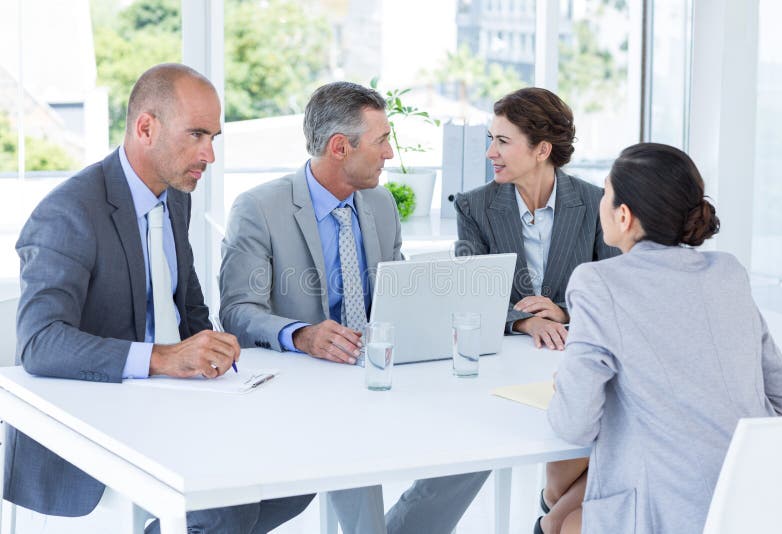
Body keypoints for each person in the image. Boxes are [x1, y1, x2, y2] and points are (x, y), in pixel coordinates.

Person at [8, 63, 313, 533]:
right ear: (145, 128)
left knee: (296, 474)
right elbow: (39, 344)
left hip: (179, 406)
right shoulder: (68, 212)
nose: (209, 154)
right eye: (196, 135)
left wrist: (213, 347)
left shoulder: (175, 196)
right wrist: (163, 358)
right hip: (101, 414)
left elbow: (187, 307)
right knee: (224, 509)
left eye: (214, 136)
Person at [219, 81, 488, 534]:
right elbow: (237, 310)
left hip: (381, 370)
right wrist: (301, 334)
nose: (389, 154)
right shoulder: (259, 208)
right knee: (348, 442)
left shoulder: (381, 204)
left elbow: (398, 290)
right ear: (340, 147)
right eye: (382, 140)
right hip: (309, 386)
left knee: (479, 441)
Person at [547, 142, 782, 534]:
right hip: (754, 506)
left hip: (671, 512)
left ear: (624, 216)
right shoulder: (727, 272)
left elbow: (573, 425)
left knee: (559, 509)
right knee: (557, 512)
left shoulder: (599, 282)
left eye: (606, 194)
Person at [453, 87, 618, 531]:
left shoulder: (595, 203)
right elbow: (468, 290)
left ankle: (551, 511)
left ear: (542, 149)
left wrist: (563, 312)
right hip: (503, 365)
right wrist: (523, 320)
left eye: (503, 141)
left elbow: (618, 290)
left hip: (576, 360)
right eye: (492, 139)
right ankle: (553, 514)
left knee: (599, 431)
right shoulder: (475, 206)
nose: (491, 152)